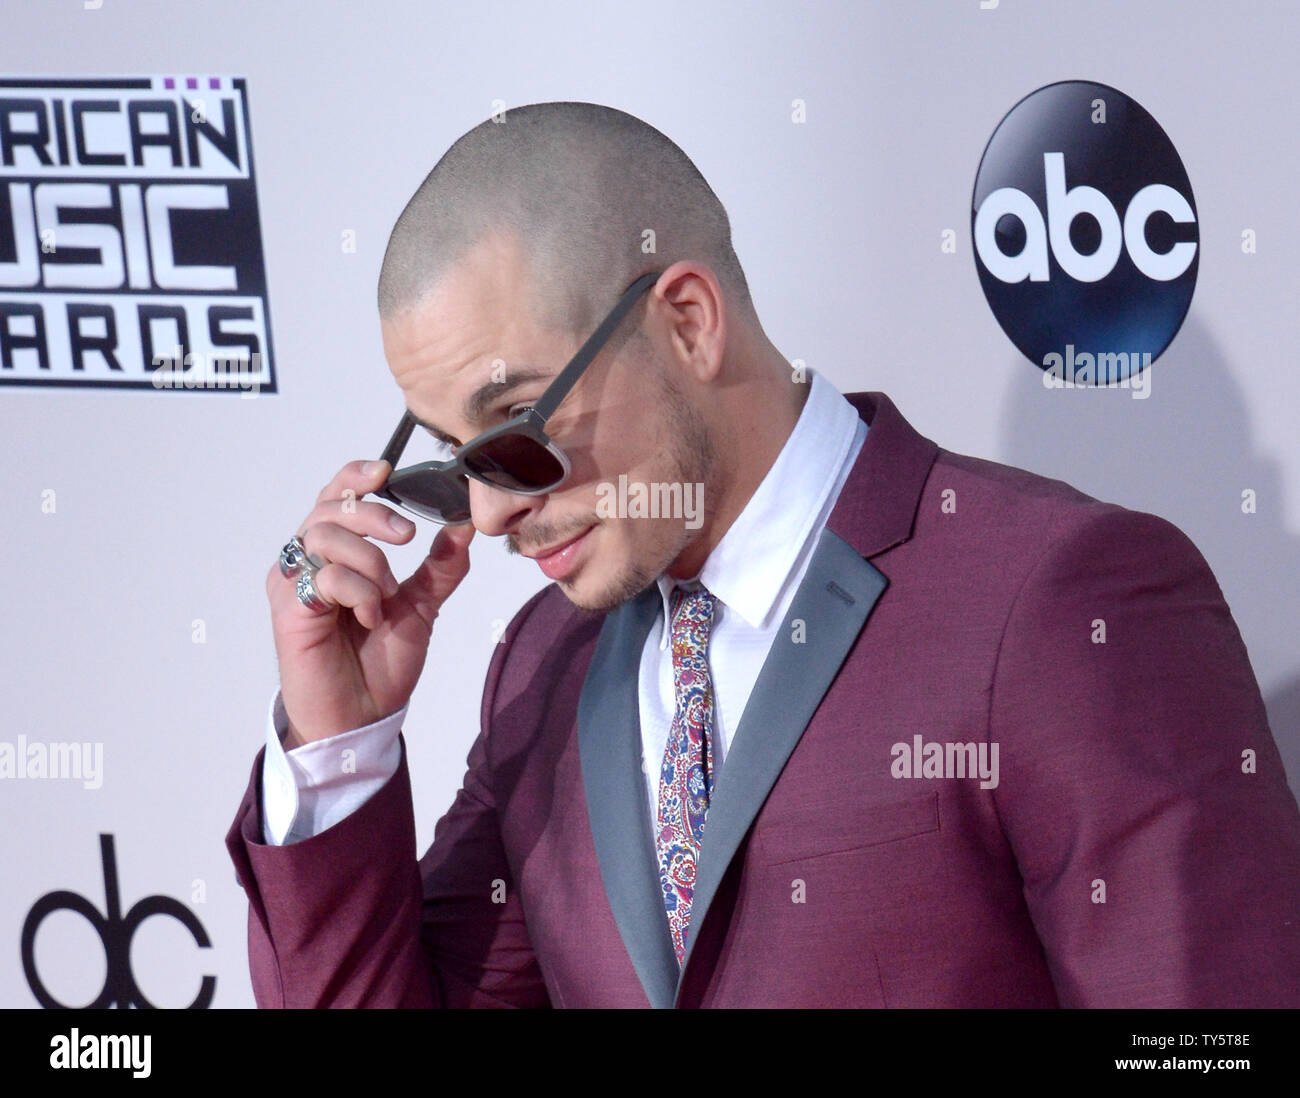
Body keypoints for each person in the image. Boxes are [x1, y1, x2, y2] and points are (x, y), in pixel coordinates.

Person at [225, 101, 1300, 1008]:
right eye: (452, 464)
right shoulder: (543, 668)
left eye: (514, 433)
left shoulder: (1060, 599)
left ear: (688, 322)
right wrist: (337, 739)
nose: (493, 518)